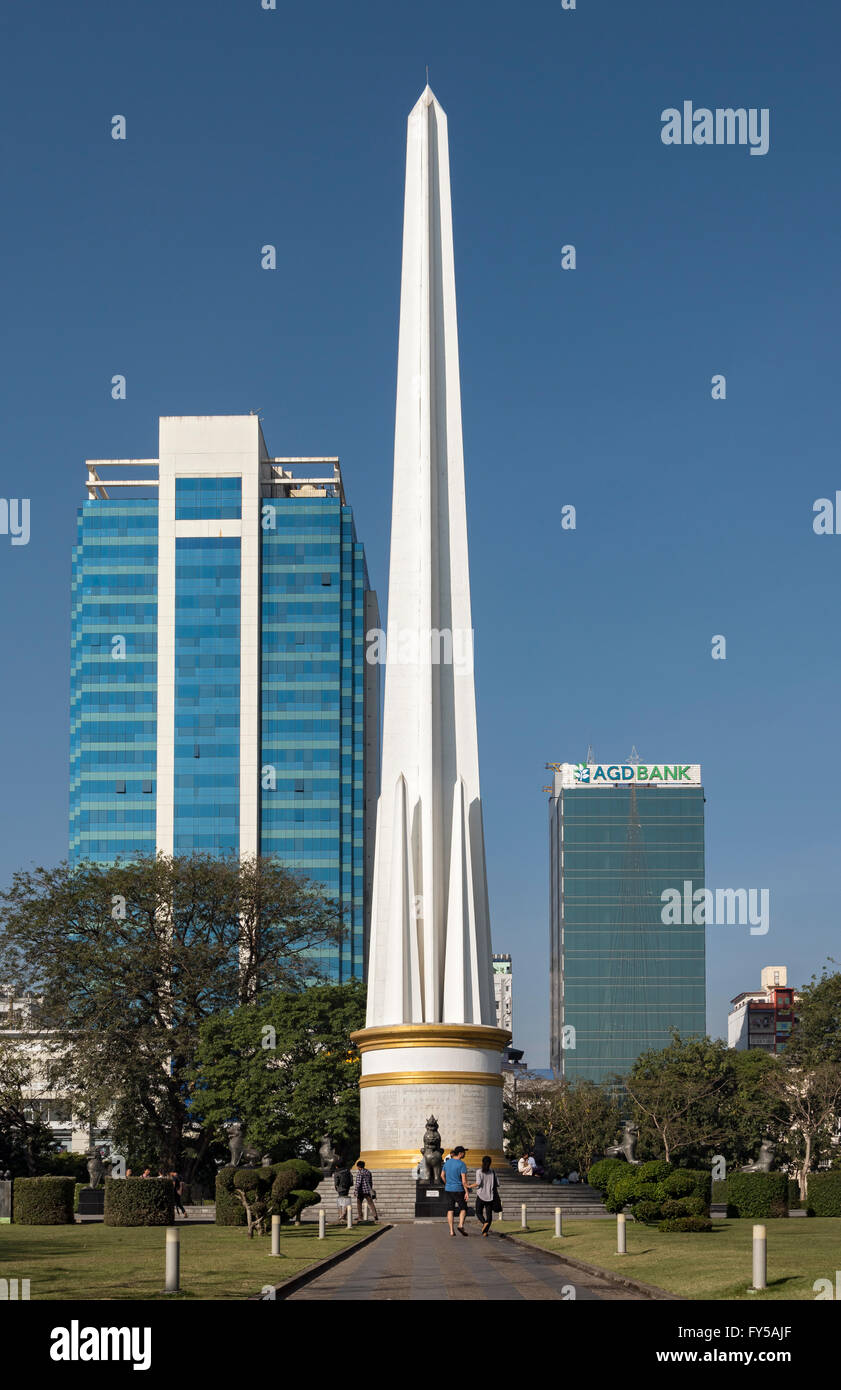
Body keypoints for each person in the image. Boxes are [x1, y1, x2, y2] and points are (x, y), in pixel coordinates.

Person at [442, 1144, 470, 1237]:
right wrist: (466, 1191)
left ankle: (451, 1231)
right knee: (463, 1208)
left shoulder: (447, 1163)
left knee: (450, 1209)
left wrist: (447, 1183)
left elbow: (442, 1175)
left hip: (448, 1189)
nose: (465, 1154)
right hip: (458, 1189)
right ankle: (461, 1225)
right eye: (464, 1153)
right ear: (460, 1153)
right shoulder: (462, 1164)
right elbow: (464, 1180)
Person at [474, 1155, 500, 1237]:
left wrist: (469, 1186)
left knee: (478, 1212)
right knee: (489, 1215)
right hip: (490, 1196)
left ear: (482, 1162)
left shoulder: (479, 1171)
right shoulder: (493, 1172)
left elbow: (478, 1183)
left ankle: (484, 1224)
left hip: (481, 1195)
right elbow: (498, 1184)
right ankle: (485, 1231)